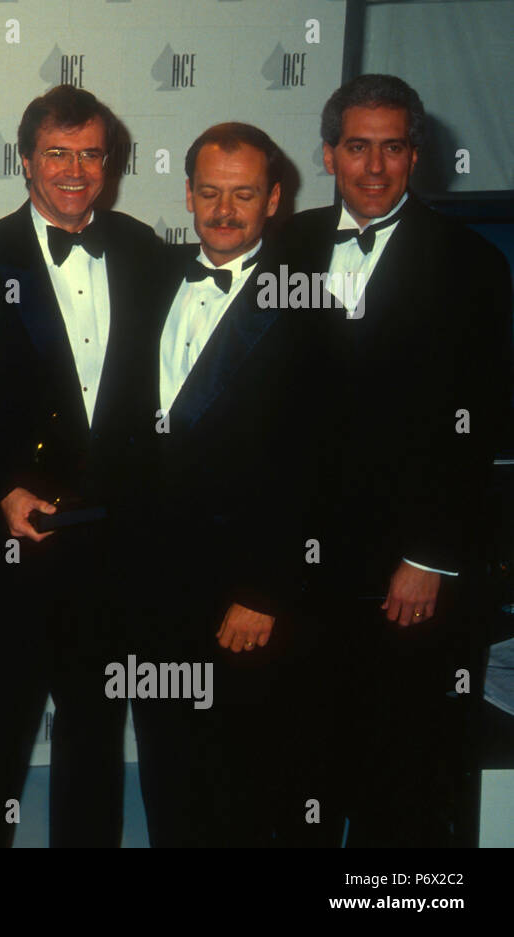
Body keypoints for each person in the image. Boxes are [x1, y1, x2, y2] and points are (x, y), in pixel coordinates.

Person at [281, 74, 511, 847]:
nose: (374, 167)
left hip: (409, 570)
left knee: (405, 776)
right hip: (304, 569)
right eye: (357, 147)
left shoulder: (474, 264)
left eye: (392, 147)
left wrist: (430, 556)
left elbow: (475, 428)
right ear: (328, 153)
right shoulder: (281, 246)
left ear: (416, 155)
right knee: (304, 769)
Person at [0, 85, 166, 847]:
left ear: (109, 162)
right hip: (12, 538)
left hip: (112, 540)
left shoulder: (145, 251)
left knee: (96, 731)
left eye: (90, 154)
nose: (74, 170)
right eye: (57, 154)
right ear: (26, 160)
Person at [131, 123, 321, 846]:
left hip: (245, 592)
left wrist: (265, 589)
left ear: (274, 199)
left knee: (247, 777)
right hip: (151, 585)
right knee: (167, 769)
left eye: (243, 194)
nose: (223, 210)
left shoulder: (308, 304)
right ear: (186, 193)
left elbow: (313, 462)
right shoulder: (151, 277)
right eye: (209, 192)